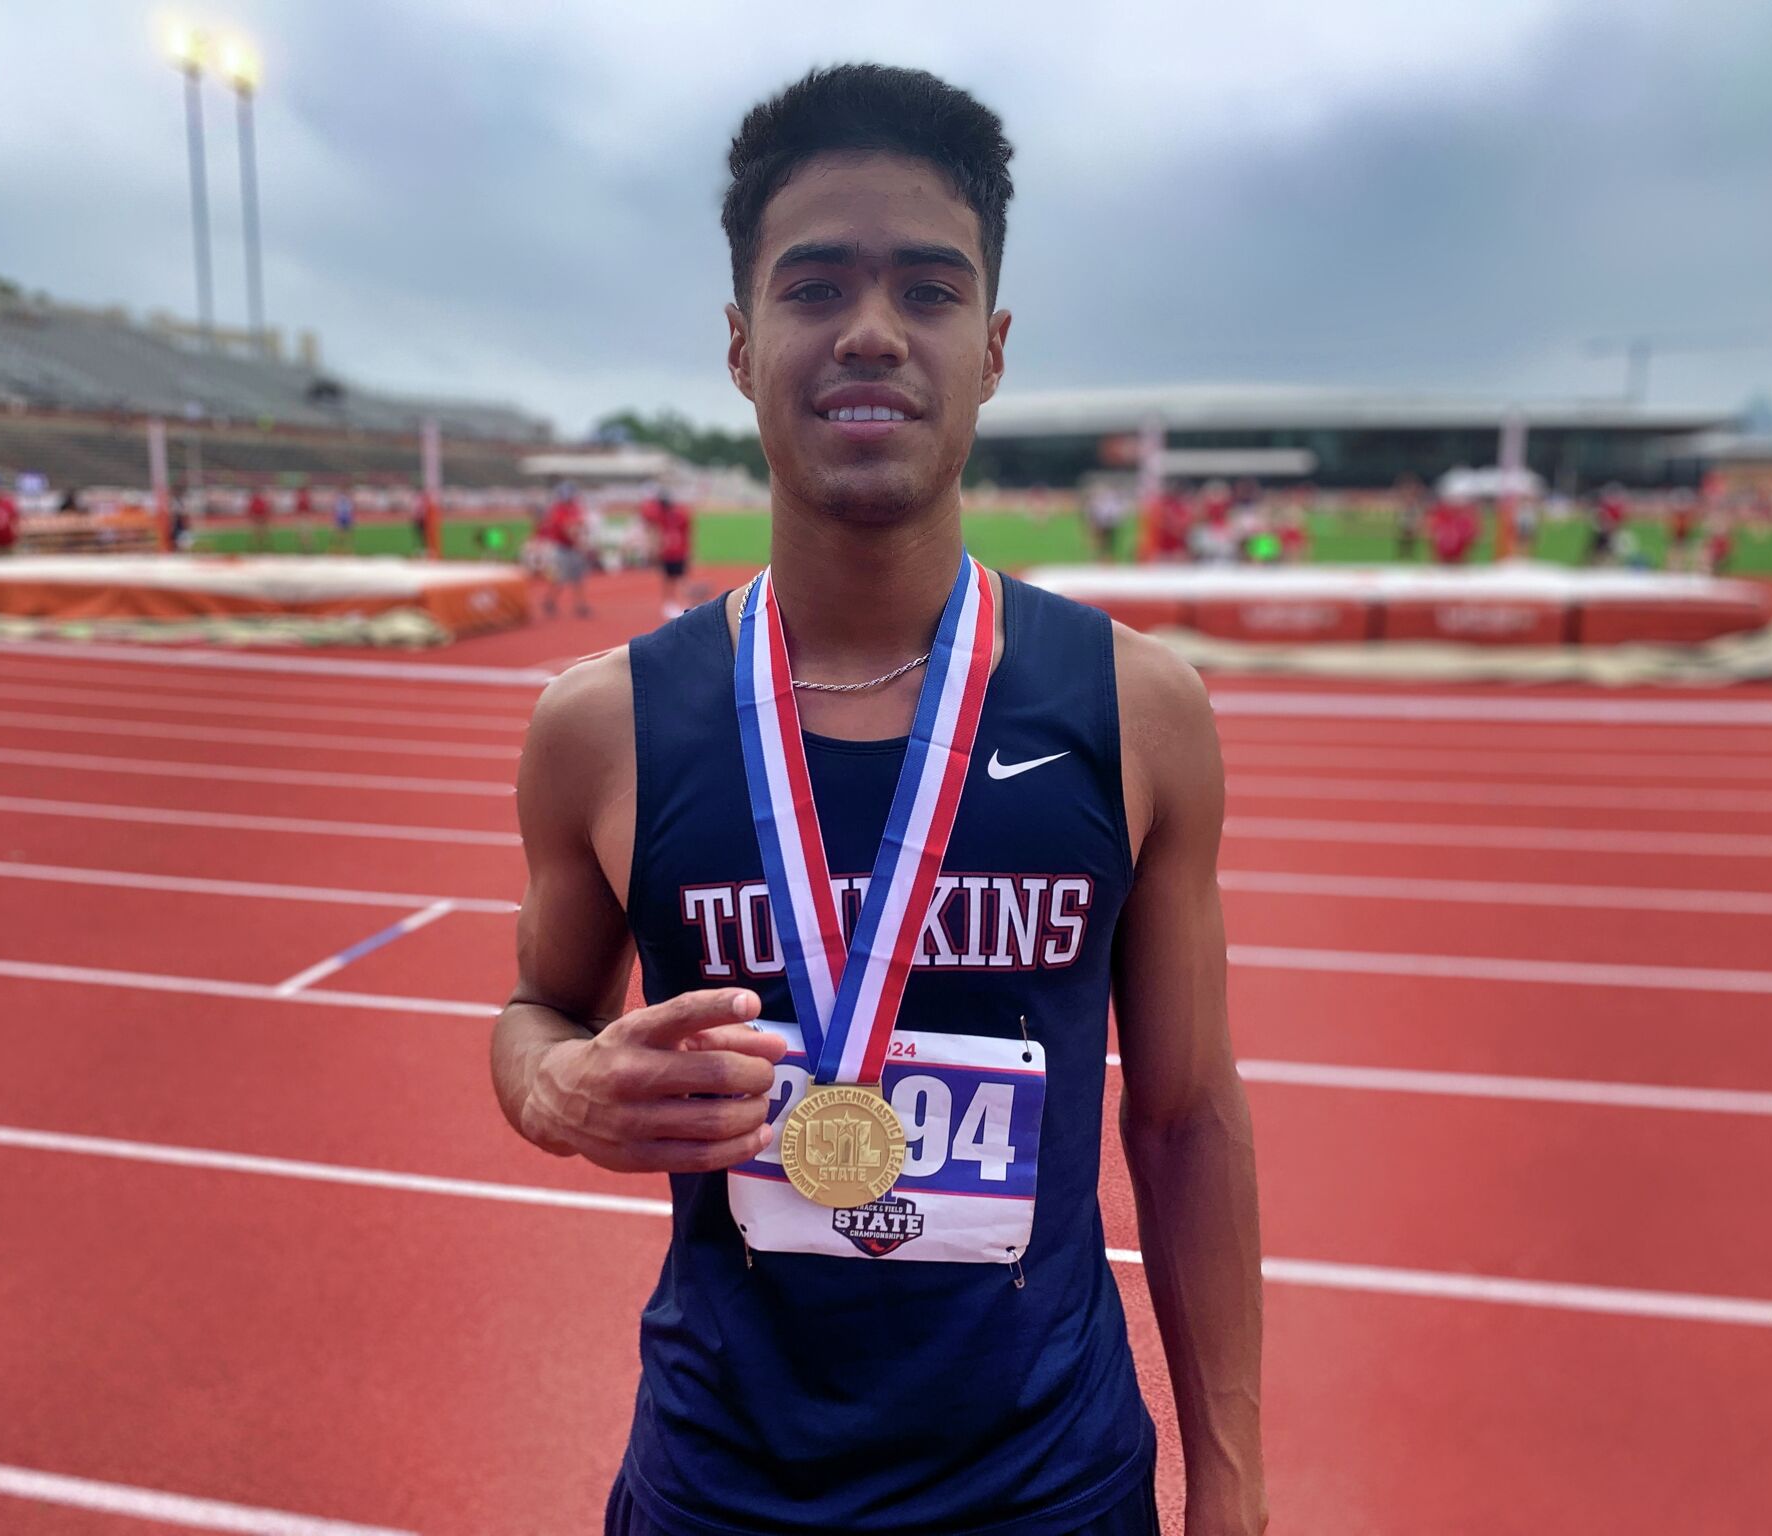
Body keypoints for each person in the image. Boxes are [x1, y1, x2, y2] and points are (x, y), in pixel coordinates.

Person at [490, 64, 1264, 1536]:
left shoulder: (1136, 711)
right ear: (737, 343)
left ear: (993, 344)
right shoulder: (603, 727)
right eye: (814, 287)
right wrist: (554, 1084)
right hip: (720, 1491)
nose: (870, 332)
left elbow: (1185, 1120)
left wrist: (1232, 1482)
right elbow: (535, 1008)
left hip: (1053, 1491)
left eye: (927, 288)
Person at [536, 481, 591, 617]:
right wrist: (581, 543)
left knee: (578, 578)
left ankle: (580, 605)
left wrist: (581, 538)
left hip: (572, 547)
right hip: (562, 548)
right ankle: (550, 601)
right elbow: (567, 529)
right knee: (560, 578)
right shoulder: (558, 510)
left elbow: (581, 525)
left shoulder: (574, 507)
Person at [640, 483, 694, 615]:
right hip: (667, 552)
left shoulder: (680, 515)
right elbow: (655, 531)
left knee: (681, 579)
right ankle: (669, 603)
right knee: (668, 579)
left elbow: (687, 533)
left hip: (678, 551)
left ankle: (682, 602)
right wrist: (655, 549)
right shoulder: (660, 515)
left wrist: (689, 551)